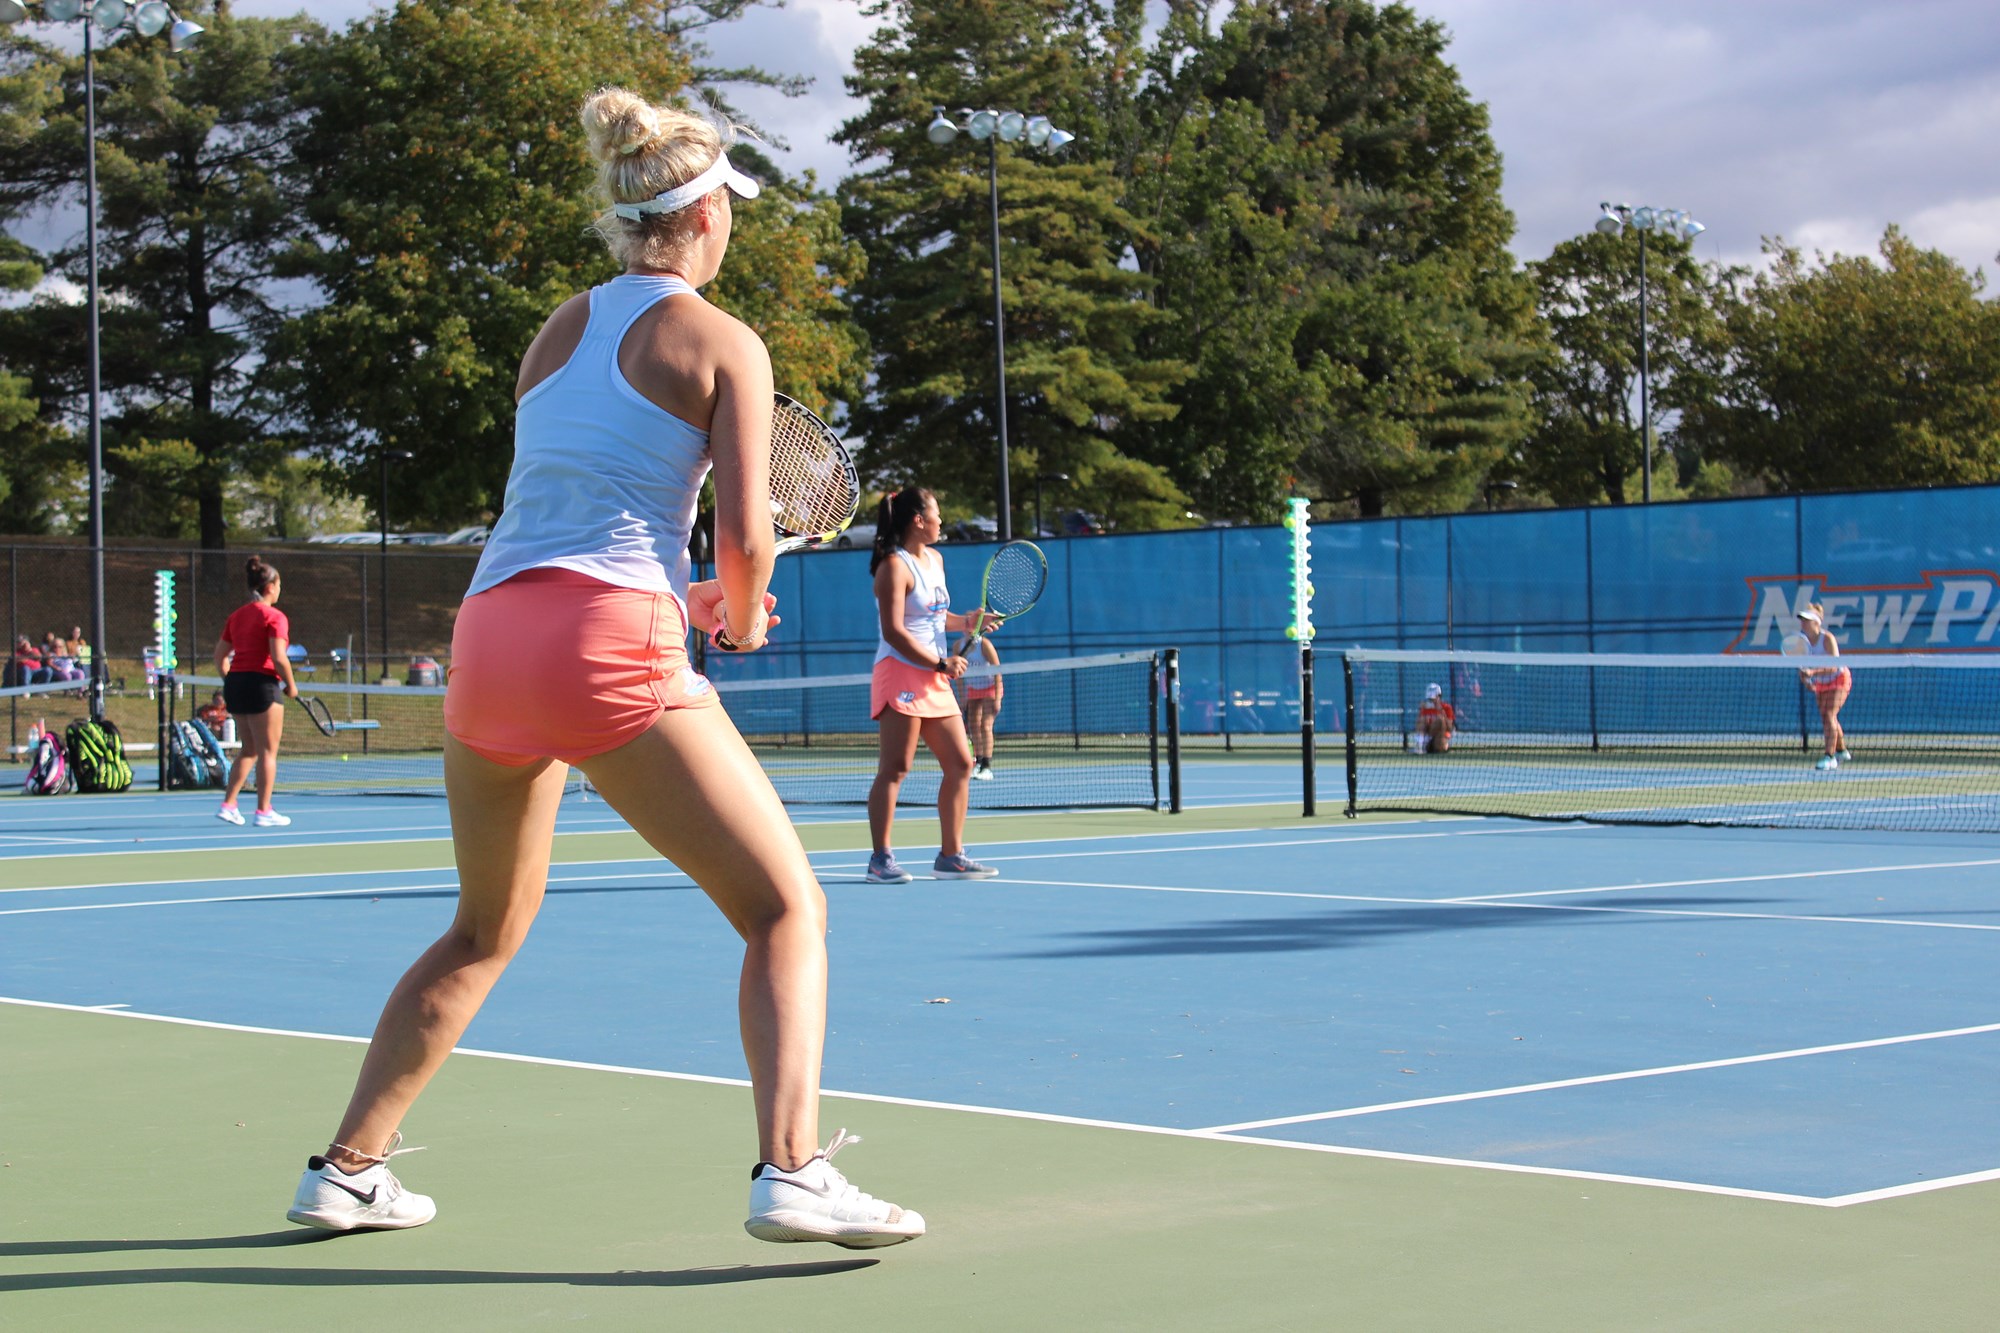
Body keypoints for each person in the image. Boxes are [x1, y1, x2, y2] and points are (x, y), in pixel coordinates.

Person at [282, 89, 923, 1249]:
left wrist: (693, 597)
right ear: (705, 214)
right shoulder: (725, 342)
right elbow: (744, 540)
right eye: (731, 205)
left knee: (482, 927)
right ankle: (791, 1169)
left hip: (491, 639)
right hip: (606, 645)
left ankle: (347, 1169)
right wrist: (737, 612)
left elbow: (576, 512)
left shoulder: (556, 331)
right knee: (786, 907)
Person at [864, 488, 1000, 883]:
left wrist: (970, 621)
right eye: (936, 513)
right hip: (901, 672)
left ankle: (950, 855)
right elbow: (894, 631)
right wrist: (940, 662)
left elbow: (937, 619)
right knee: (896, 767)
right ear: (918, 520)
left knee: (961, 763)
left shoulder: (936, 560)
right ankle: (880, 859)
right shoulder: (893, 566)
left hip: (934, 678)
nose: (942, 521)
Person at [214, 556, 300, 826]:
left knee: (249, 749)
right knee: (267, 752)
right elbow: (278, 657)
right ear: (271, 586)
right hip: (262, 686)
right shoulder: (275, 617)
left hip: (236, 686)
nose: (280, 590)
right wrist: (291, 685)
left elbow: (219, 657)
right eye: (279, 585)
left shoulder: (237, 616)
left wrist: (233, 679)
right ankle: (264, 811)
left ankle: (229, 805)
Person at [1796, 603, 1852, 771]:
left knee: (1829, 715)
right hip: (1822, 681)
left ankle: (1830, 757)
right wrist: (1806, 680)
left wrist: (1813, 672)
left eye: (1807, 620)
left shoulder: (1827, 639)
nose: (1803, 623)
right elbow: (1801, 666)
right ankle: (1841, 750)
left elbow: (1834, 666)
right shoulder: (1802, 642)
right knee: (1827, 717)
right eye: (1802, 620)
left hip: (1839, 678)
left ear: (1816, 622)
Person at [958, 627, 1002, 780]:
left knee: (985, 725)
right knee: (973, 726)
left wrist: (997, 698)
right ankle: (979, 762)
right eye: (967, 626)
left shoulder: (985, 645)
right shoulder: (958, 646)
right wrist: (963, 697)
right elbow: (958, 674)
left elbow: (997, 671)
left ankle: (987, 767)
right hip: (973, 689)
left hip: (990, 688)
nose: (969, 629)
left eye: (973, 626)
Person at [1418, 682, 1454, 754]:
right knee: (1421, 720)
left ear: (1439, 696)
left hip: (1441, 736)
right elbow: (1420, 725)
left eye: (1433, 699)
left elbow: (1450, 728)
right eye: (1430, 699)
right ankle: (1420, 746)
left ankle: (1436, 745)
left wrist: (1441, 712)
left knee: (1440, 720)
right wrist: (1421, 711)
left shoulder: (1447, 708)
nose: (1431, 701)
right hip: (1429, 734)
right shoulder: (1426, 708)